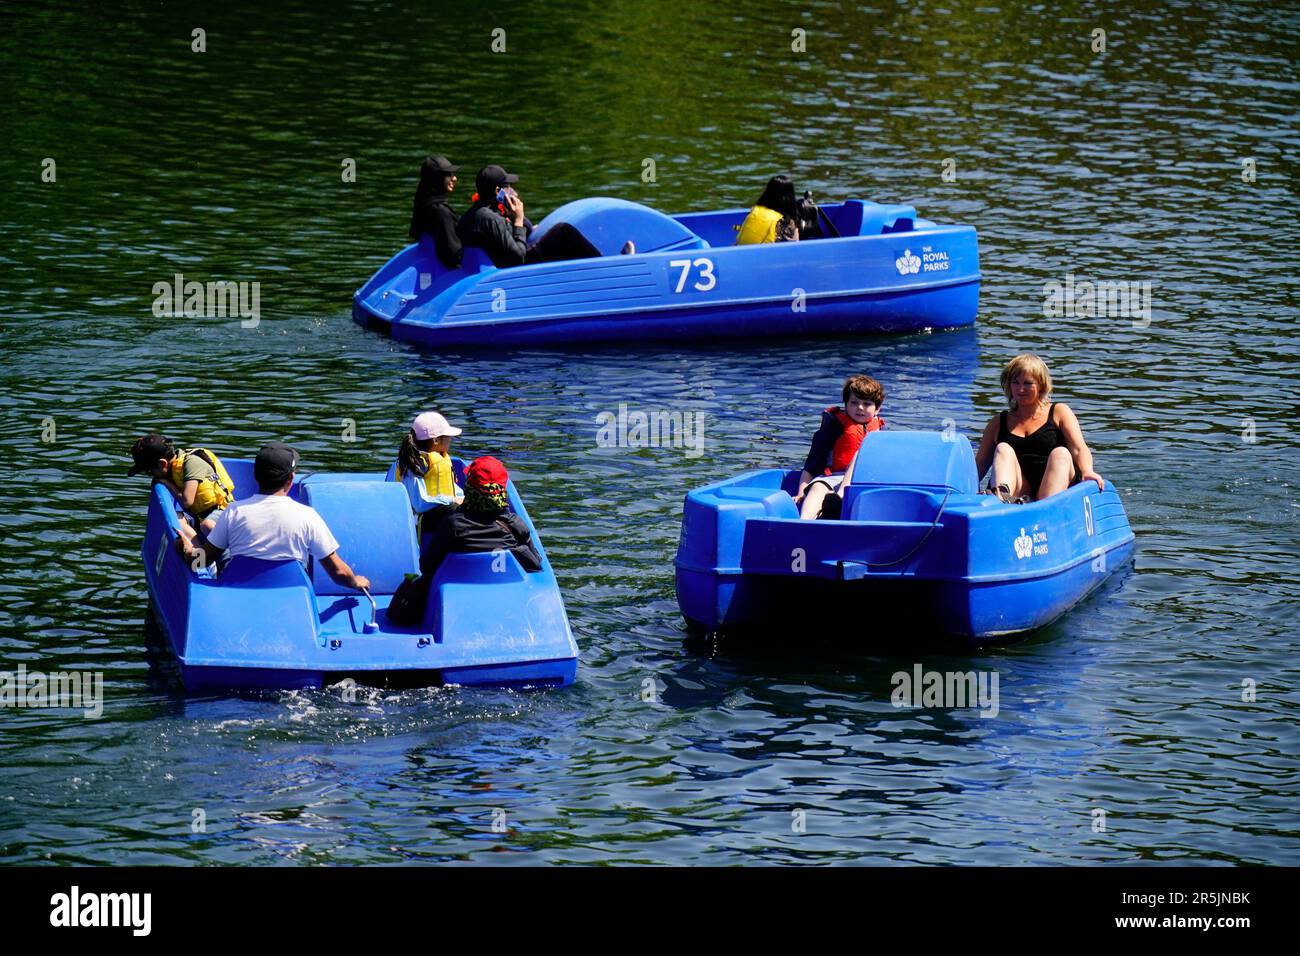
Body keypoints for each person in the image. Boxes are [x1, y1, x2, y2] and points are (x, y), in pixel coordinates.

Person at [181, 442, 370, 592]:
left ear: (255, 477)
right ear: (291, 479)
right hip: (292, 596)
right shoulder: (307, 516)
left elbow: (202, 561)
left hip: (237, 593)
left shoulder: (233, 512)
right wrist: (355, 581)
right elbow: (338, 573)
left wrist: (187, 551)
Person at [974, 353, 1105, 502]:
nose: (1020, 389)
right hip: (1020, 491)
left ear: (1041, 385)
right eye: (1015, 382)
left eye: (1028, 383)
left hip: (1055, 489)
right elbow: (980, 465)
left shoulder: (1059, 412)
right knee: (1003, 448)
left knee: (1061, 453)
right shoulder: (998, 422)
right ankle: (1002, 500)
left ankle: (1047, 508)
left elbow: (1078, 449)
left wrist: (1087, 470)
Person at [457, 165, 630, 268]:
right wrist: (518, 220)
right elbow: (518, 258)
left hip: (506, 259)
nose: (513, 191)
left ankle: (592, 271)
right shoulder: (490, 218)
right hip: (517, 268)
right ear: (498, 191)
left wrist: (520, 223)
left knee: (551, 236)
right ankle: (608, 269)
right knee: (563, 232)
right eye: (507, 187)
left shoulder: (475, 213)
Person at [419, 456, 541, 577]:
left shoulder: (453, 524)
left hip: (460, 586)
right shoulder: (515, 524)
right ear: (502, 492)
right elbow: (536, 563)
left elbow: (427, 565)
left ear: (468, 489)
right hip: (506, 585)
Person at [794, 375, 886, 520]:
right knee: (818, 487)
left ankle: (838, 501)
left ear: (877, 409)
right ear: (846, 404)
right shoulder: (833, 428)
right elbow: (812, 464)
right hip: (834, 478)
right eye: (854, 402)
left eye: (867, 404)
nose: (860, 408)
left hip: (866, 480)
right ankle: (805, 524)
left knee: (861, 454)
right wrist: (801, 493)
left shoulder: (879, 433)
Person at [127, 433, 235, 545]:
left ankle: (229, 558)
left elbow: (187, 501)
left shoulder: (191, 463)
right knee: (176, 521)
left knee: (207, 525)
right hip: (198, 515)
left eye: (149, 471)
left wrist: (167, 483)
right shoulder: (173, 468)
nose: (152, 476)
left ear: (162, 463)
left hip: (222, 511)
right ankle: (199, 557)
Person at [386, 411, 464, 532]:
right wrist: (451, 500)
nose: (450, 439)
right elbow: (419, 503)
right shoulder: (413, 464)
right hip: (417, 525)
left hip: (439, 516)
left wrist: (464, 499)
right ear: (436, 441)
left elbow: (452, 489)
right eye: (447, 436)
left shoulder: (439, 460)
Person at [408, 155, 463, 271]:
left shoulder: (423, 203)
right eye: (448, 175)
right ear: (437, 179)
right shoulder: (441, 212)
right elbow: (453, 255)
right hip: (445, 272)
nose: (454, 179)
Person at [736, 175, 801, 245]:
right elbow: (793, 246)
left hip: (741, 250)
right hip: (766, 254)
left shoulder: (754, 211)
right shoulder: (785, 220)